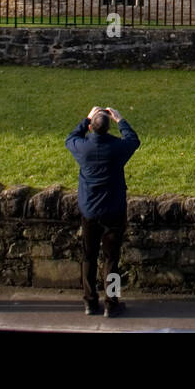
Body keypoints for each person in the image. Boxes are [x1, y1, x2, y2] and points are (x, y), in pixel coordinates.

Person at [66, 106, 140, 317]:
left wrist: (86, 119)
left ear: (91, 127)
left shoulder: (82, 147)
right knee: (111, 259)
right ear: (108, 128)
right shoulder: (116, 147)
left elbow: (70, 137)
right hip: (113, 210)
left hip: (89, 210)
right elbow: (134, 140)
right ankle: (111, 303)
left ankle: (90, 302)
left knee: (89, 257)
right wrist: (120, 119)